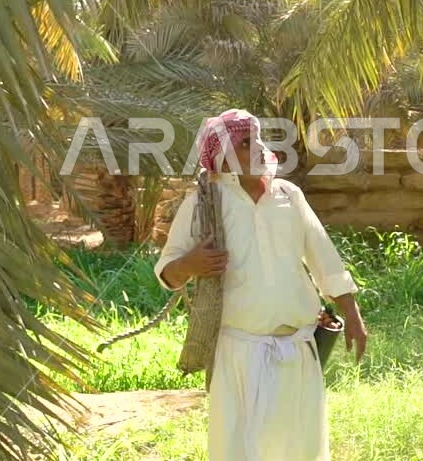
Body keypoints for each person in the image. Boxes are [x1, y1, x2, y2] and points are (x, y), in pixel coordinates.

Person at [155, 109, 367, 461]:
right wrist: (190, 264)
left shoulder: (289, 195)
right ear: (220, 155)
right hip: (239, 355)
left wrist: (353, 315)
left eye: (256, 139)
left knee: (302, 450)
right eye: (243, 142)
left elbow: (324, 259)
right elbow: (167, 272)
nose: (256, 147)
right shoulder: (203, 203)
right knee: (240, 450)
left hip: (298, 351)